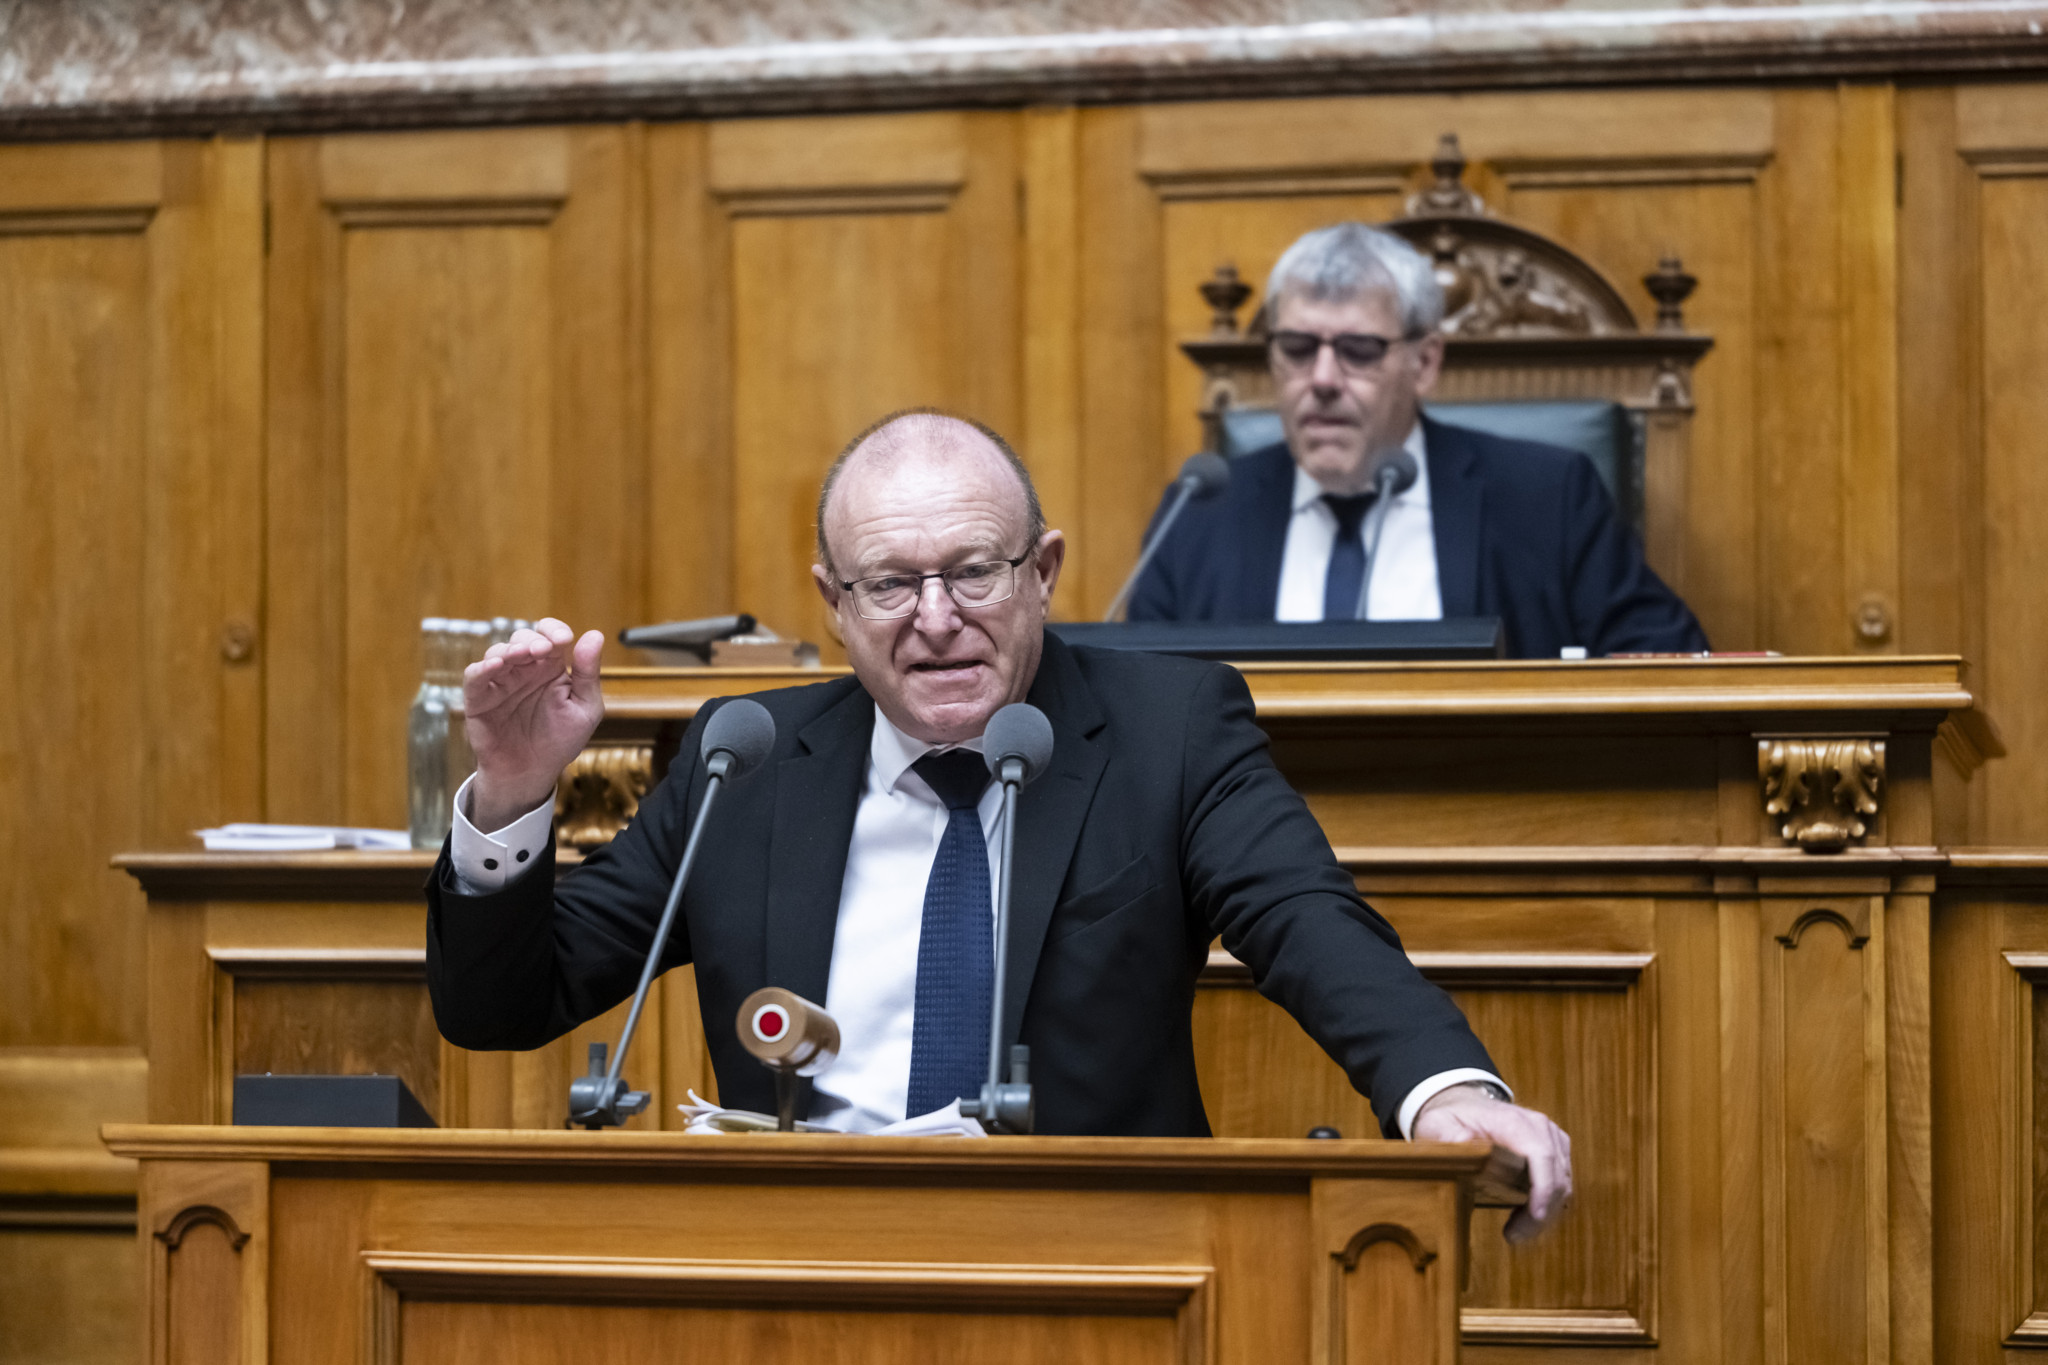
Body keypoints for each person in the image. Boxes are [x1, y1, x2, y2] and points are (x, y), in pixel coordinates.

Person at [426, 408, 1573, 1242]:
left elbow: (1304, 920)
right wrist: (512, 793)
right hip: (793, 1261)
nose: (936, 622)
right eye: (889, 585)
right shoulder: (751, 756)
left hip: (1093, 1258)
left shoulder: (1166, 728)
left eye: (973, 571)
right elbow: (503, 1007)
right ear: (832, 602)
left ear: (1043, 572)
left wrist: (1448, 1094)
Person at [1127, 222, 1707, 659]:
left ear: (1425, 362)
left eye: (1358, 352)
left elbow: (1664, 664)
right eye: (1298, 349)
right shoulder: (1198, 515)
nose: (1323, 380)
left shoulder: (1546, 498)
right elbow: (1134, 710)